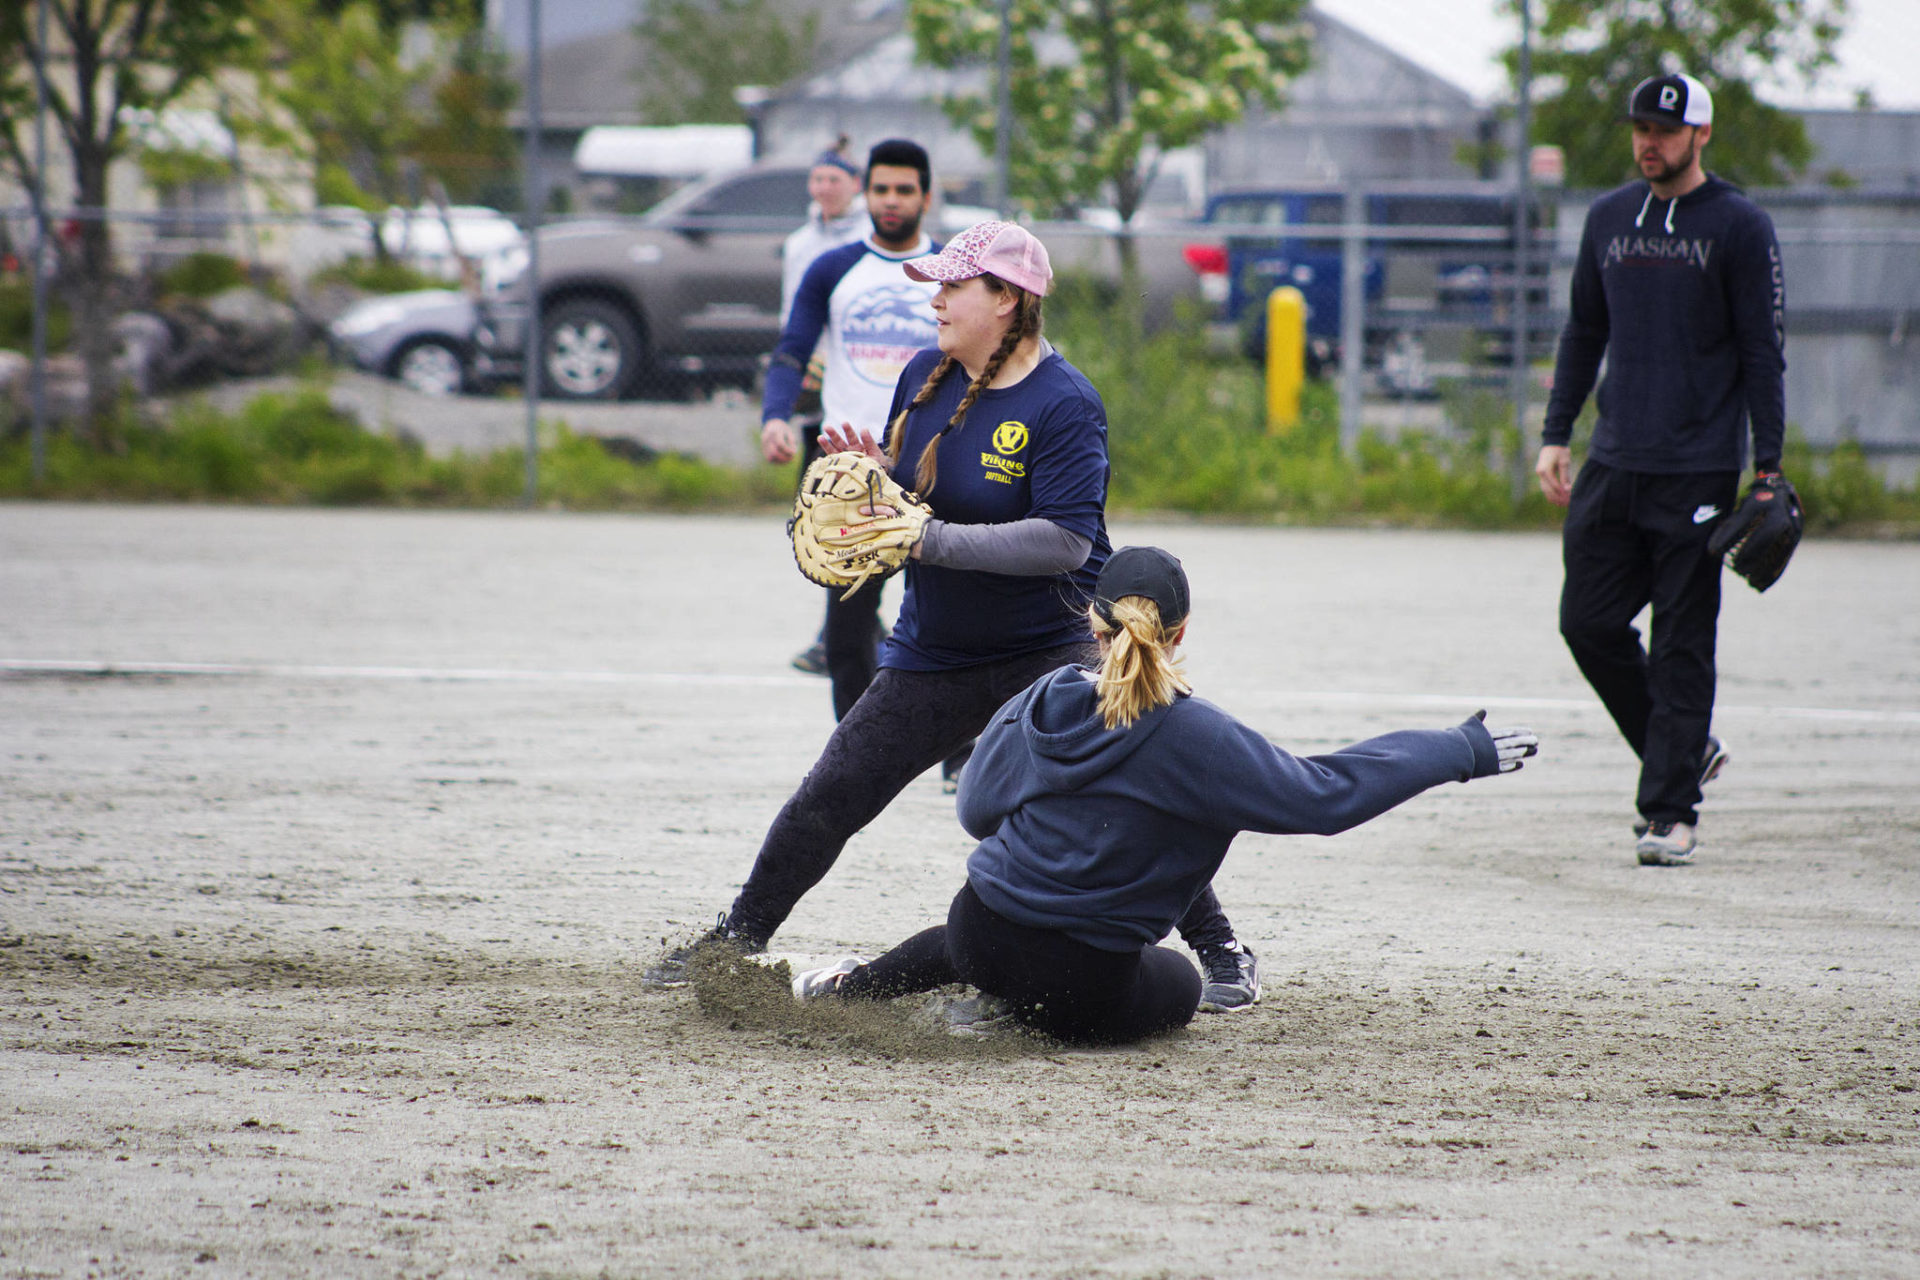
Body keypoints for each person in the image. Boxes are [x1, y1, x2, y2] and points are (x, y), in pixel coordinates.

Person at [648, 224, 1263, 1011]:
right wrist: (877, 481)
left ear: (1007, 301)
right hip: (935, 647)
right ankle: (737, 936)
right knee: (831, 795)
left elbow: (1064, 541)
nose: (934, 298)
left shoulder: (1064, 403)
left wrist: (926, 536)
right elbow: (915, 502)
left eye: (953, 286)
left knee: (1116, 801)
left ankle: (1222, 950)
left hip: (1050, 651)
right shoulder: (924, 375)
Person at [788, 546, 1541, 1046]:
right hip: (1082, 989)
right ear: (1180, 633)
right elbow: (1324, 796)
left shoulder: (1043, 695)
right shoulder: (1198, 735)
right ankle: (1013, 1016)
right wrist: (1455, 749)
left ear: (1092, 618)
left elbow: (975, 814)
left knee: (970, 943)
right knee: (1179, 986)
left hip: (981, 927)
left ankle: (851, 989)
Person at [1535, 72, 1787, 867]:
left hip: (1698, 470)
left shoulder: (1740, 226)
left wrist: (1768, 469)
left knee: (1682, 640)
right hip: (1615, 460)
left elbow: (1762, 355)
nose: (1651, 141)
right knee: (1588, 623)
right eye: (1642, 128)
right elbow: (1583, 334)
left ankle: (1669, 811)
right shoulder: (1610, 218)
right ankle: (1681, 748)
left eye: (1667, 131)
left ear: (1700, 135)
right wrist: (1556, 434)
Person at [760, 139, 942, 721]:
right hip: (851, 473)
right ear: (866, 195)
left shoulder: (953, 273)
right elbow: (791, 353)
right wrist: (775, 416)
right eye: (881, 189)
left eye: (904, 190)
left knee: (944, 622)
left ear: (926, 196)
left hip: (937, 465)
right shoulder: (832, 269)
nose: (891, 201)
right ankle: (858, 756)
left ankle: (961, 753)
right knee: (847, 633)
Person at [778, 140, 873, 678]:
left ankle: (848, 631)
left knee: (854, 518)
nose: (823, 189)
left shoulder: (866, 239)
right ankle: (853, 627)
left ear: (854, 185)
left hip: (850, 378)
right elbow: (795, 311)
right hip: (813, 378)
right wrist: (796, 365)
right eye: (816, 180)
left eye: (833, 180)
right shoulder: (800, 243)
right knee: (815, 511)